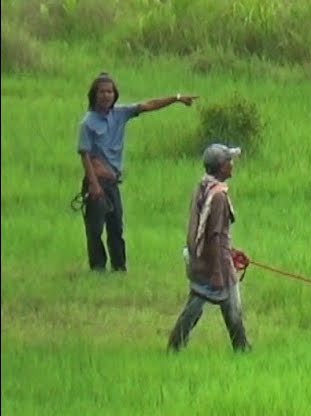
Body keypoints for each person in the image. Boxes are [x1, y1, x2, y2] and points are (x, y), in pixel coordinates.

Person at [76, 72, 197, 273]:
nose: (106, 95)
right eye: (102, 92)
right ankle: (97, 268)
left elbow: (148, 105)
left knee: (116, 227)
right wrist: (94, 185)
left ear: (115, 94)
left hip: (113, 182)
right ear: (94, 95)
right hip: (96, 181)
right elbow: (85, 155)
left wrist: (176, 98)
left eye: (110, 91)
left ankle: (119, 267)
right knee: (95, 229)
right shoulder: (87, 123)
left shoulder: (120, 114)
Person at [166, 143, 251, 353]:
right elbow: (214, 235)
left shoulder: (202, 187)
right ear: (221, 167)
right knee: (227, 305)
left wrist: (230, 251)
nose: (232, 165)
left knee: (199, 302)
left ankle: (176, 344)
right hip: (216, 263)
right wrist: (217, 271)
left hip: (201, 257)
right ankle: (241, 347)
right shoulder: (219, 196)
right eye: (229, 161)